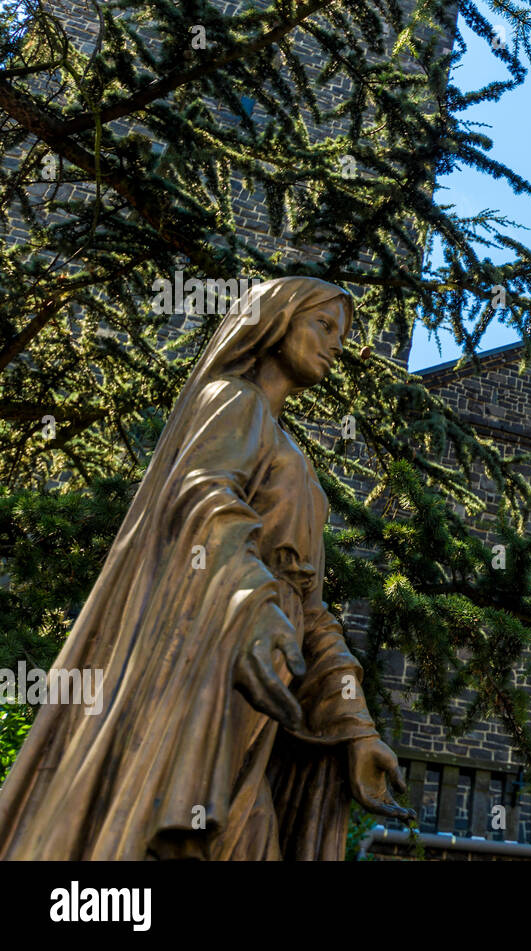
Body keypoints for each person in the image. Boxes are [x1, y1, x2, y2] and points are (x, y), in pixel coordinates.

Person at [0, 276, 413, 859]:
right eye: (323, 326)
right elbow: (203, 500)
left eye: (340, 336)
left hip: (263, 682)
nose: (334, 345)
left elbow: (312, 611)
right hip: (213, 667)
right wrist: (253, 606)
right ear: (275, 319)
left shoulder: (292, 454)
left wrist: (357, 729)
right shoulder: (234, 401)